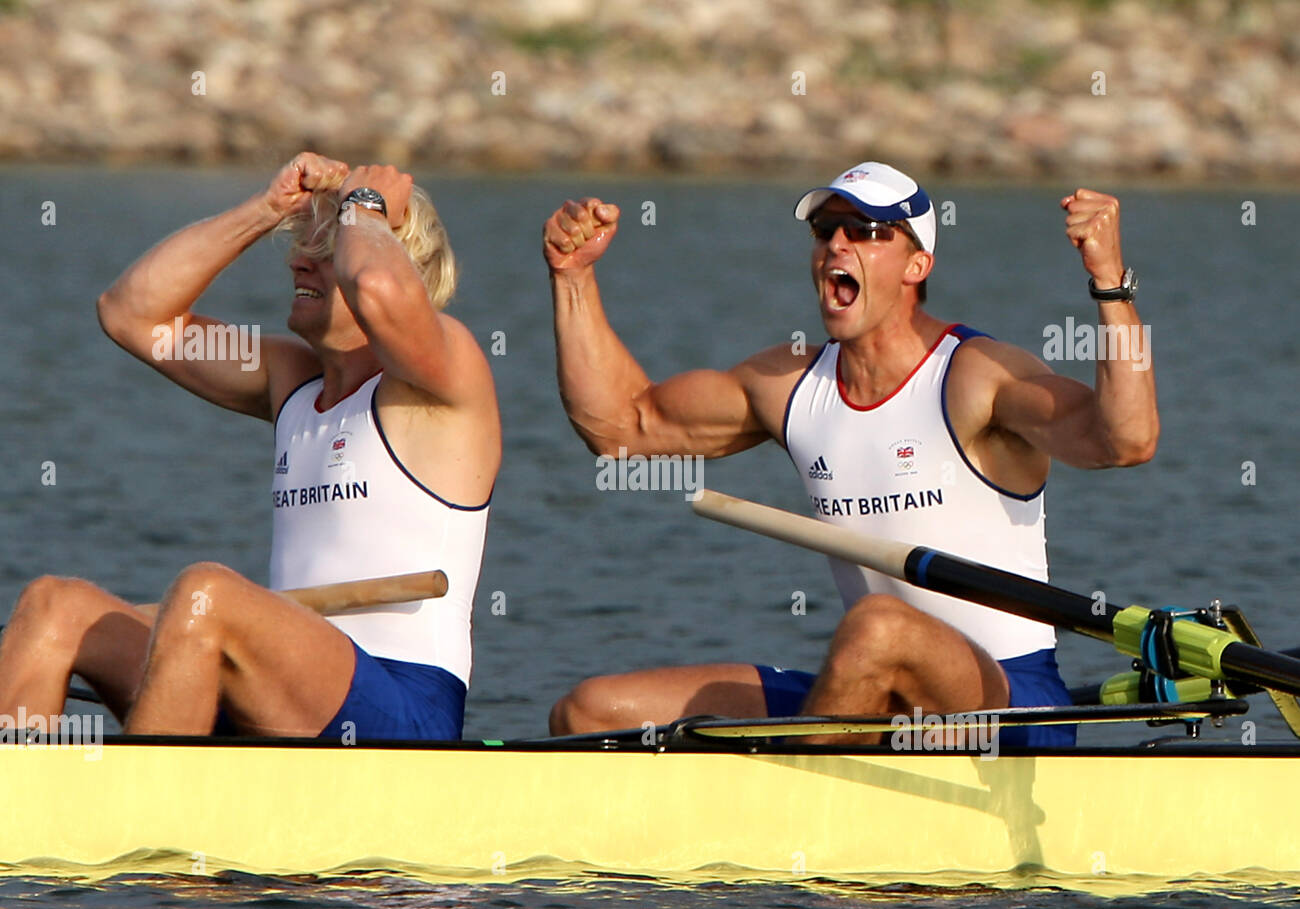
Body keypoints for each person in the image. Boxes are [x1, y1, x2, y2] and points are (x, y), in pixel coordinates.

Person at [542, 161, 1157, 746]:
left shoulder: (975, 377)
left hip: (1009, 700)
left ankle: (794, 816)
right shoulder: (788, 383)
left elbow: (1126, 439)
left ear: (918, 264)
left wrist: (1110, 282)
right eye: (825, 230)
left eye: (866, 232)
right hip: (875, 690)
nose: (837, 245)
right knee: (590, 710)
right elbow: (622, 429)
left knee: (877, 625)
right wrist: (573, 277)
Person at [0, 153, 500, 738]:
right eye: (300, 245)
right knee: (51, 607)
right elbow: (131, 313)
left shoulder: (444, 377)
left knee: (206, 592)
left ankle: (141, 813)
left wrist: (365, 209)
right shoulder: (287, 376)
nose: (296, 262)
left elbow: (381, 288)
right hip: (271, 684)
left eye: (322, 250)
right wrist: (265, 209)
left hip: (403, 706)